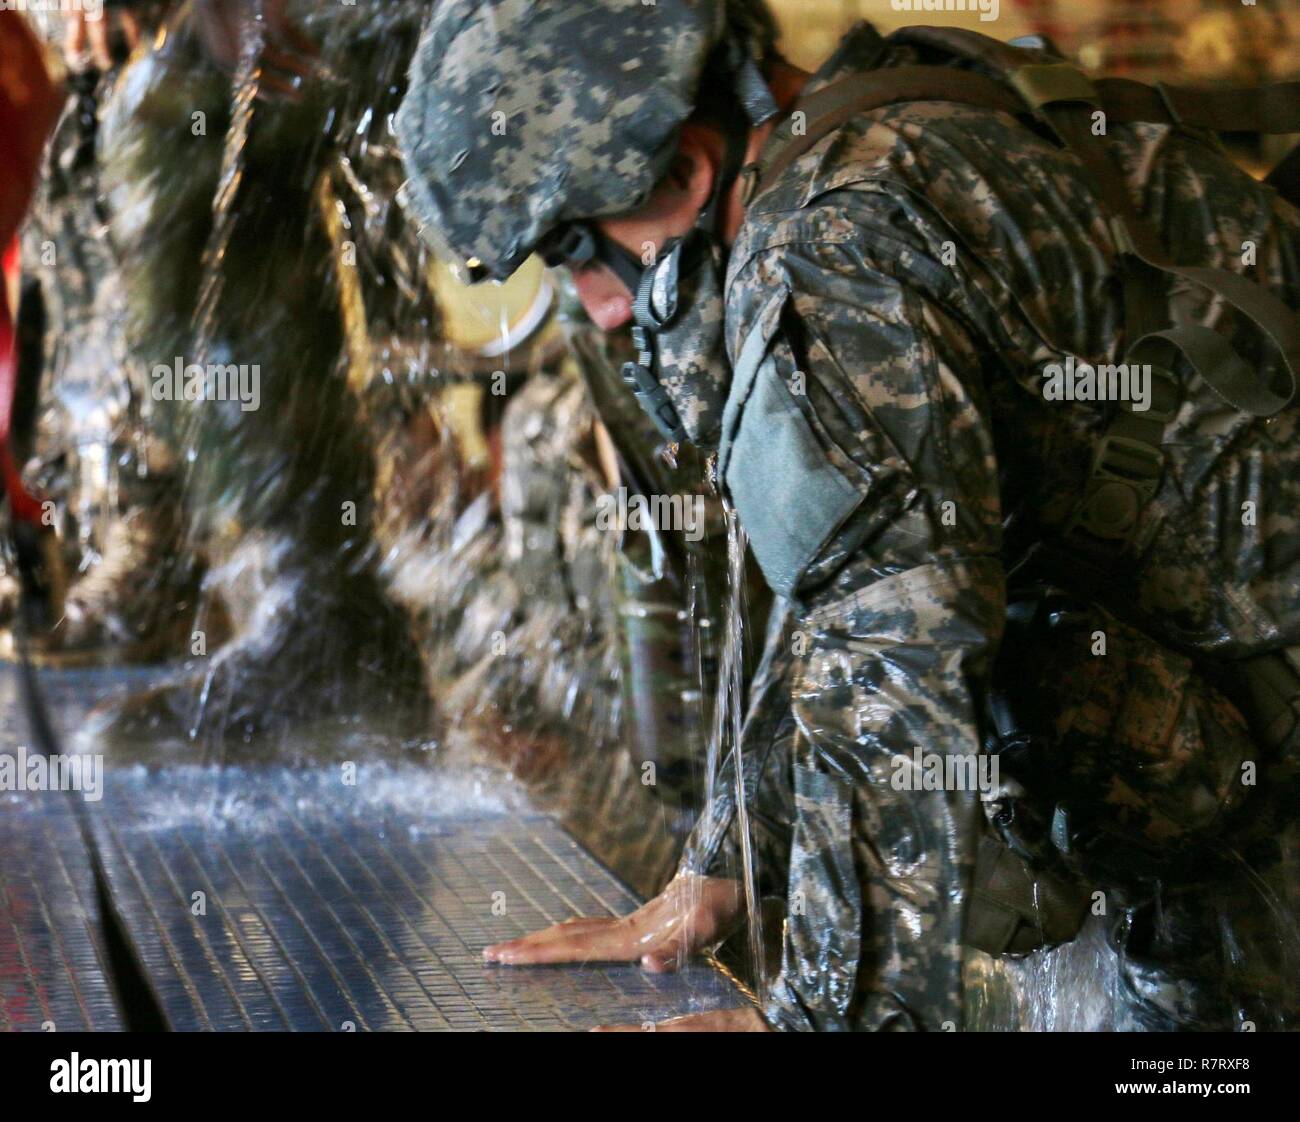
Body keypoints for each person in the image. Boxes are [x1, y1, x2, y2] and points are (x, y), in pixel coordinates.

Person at [395, 0, 1300, 1031]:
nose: (601, 309)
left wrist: (822, 1017)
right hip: (1231, 657)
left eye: (575, 251)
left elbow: (888, 656)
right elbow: (836, 579)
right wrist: (728, 855)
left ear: (688, 169)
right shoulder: (877, 120)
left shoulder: (829, 246)